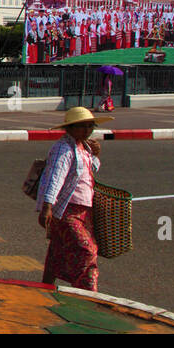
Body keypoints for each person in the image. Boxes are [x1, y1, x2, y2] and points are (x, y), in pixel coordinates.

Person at [37, 107, 109, 291]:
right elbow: (55, 177)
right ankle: (86, 292)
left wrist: (96, 154)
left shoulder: (83, 146)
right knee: (87, 250)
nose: (87, 130)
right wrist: (47, 206)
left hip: (83, 210)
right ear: (70, 128)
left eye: (90, 126)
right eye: (81, 127)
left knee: (58, 249)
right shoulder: (64, 149)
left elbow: (90, 169)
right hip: (66, 210)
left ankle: (45, 286)